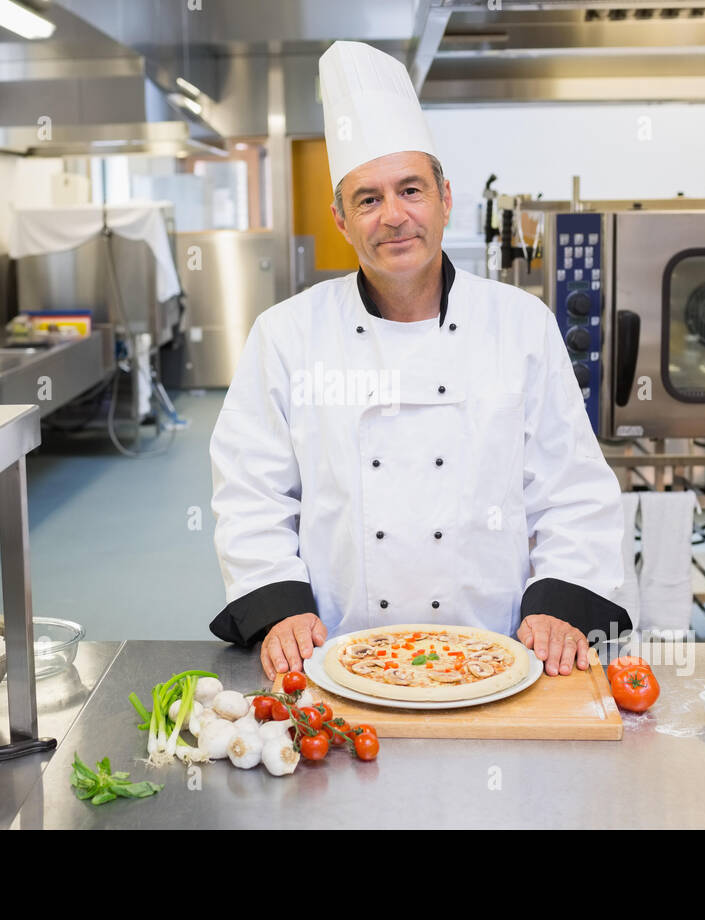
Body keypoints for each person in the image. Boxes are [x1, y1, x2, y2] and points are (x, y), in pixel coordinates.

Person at [210, 40, 634, 681]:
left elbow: (570, 488)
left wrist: (562, 603)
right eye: (368, 199)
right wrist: (279, 607)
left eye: (411, 189)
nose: (394, 216)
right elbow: (251, 493)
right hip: (336, 654)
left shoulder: (520, 326)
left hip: (499, 654)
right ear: (341, 219)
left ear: (444, 198)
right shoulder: (286, 335)